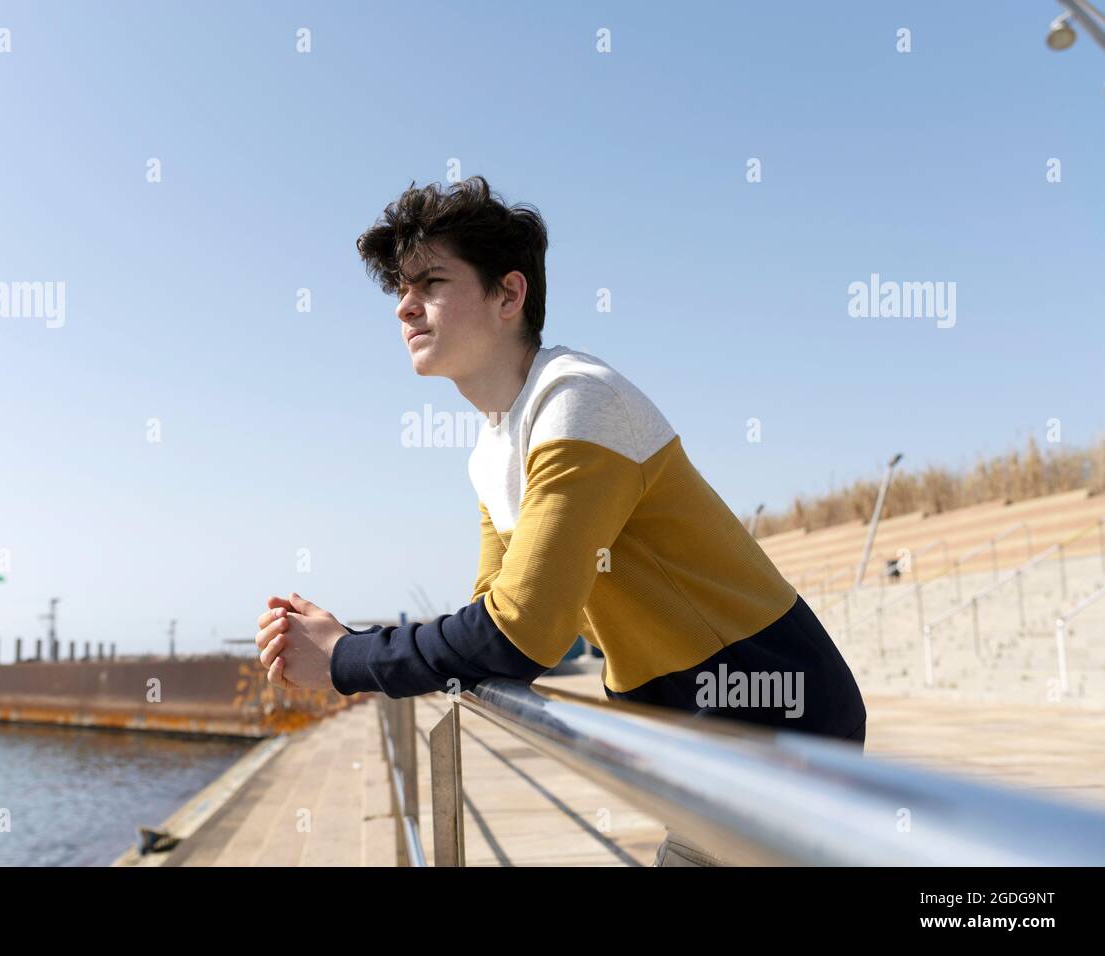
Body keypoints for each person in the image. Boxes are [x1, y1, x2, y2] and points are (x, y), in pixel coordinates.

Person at [254, 176, 867, 866]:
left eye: (430, 282)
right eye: (399, 289)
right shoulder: (494, 446)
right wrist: (352, 648)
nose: (404, 307)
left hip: (775, 727)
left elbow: (521, 633)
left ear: (508, 294)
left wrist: (346, 656)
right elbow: (495, 608)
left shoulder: (577, 402)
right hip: (697, 743)